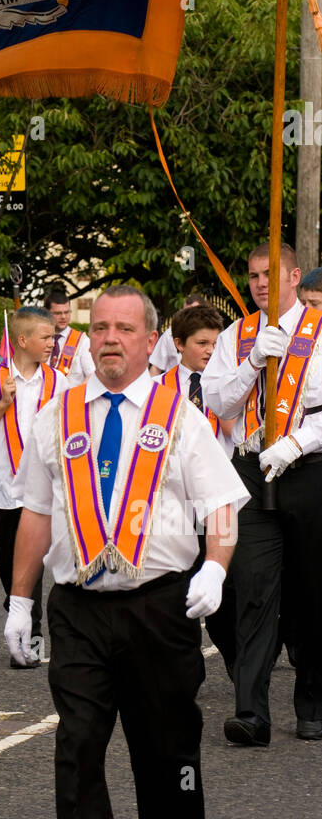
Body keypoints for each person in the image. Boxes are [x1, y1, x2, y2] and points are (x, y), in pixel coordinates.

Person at [5, 285, 248, 819]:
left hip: (158, 608)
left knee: (166, 751)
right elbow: (35, 511)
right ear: (89, 338)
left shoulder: (179, 417)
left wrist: (215, 568)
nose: (111, 338)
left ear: (148, 339)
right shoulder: (56, 415)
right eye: (101, 327)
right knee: (78, 746)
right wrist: (18, 601)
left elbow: (219, 504)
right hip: (79, 607)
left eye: (125, 328)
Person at [203, 241, 322, 745]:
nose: (261, 284)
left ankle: (313, 705)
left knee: (311, 591)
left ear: (295, 276)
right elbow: (218, 401)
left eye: (271, 275)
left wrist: (295, 442)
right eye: (253, 276)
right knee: (252, 589)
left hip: (309, 469)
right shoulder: (237, 334)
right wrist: (252, 361)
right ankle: (251, 712)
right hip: (251, 470)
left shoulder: (320, 331)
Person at [0, 307, 65, 667]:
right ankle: (17, 607)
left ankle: (32, 642)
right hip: (4, 489)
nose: (52, 343)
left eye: (53, 337)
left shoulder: (60, 382)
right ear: (22, 340)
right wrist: (3, 404)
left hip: (44, 494)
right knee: (9, 566)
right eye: (46, 337)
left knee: (35, 565)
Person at [157, 304, 234, 457]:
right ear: (179, 344)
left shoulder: (229, 383)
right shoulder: (157, 386)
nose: (211, 350)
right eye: (202, 343)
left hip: (218, 470)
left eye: (215, 344)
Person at [148, 291, 209, 376]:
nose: (189, 317)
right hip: (173, 387)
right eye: (186, 313)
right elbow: (156, 368)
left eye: (194, 313)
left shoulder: (212, 337)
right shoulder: (170, 334)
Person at [44, 287, 95, 385]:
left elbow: (92, 375)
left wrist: (76, 396)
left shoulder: (82, 341)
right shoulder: (39, 338)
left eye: (67, 312)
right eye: (58, 313)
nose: (63, 317)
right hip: (43, 398)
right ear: (47, 313)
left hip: (71, 398)